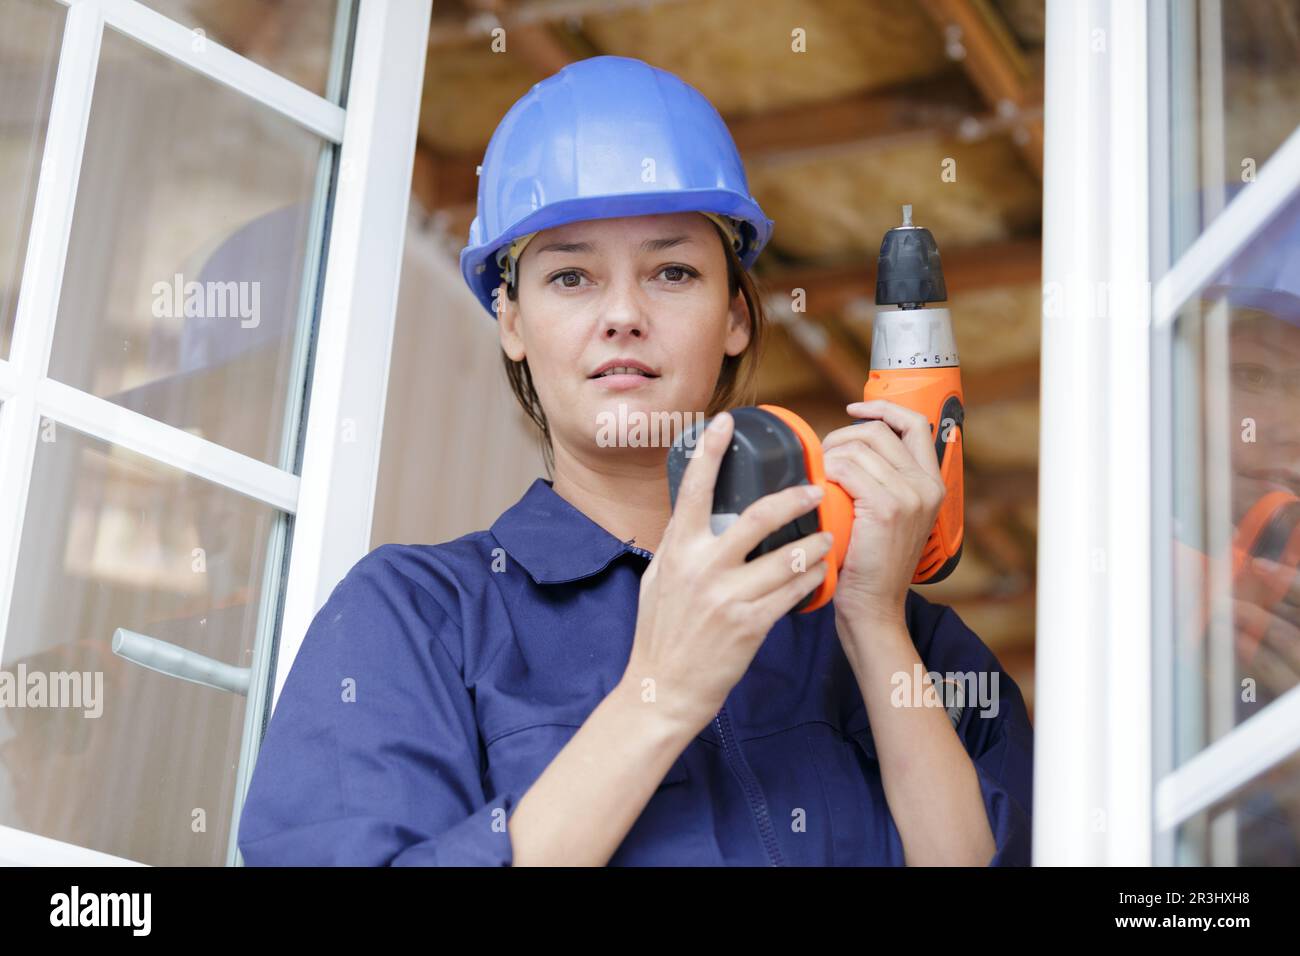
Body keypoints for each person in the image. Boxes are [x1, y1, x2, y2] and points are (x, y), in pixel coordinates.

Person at [237, 55, 1033, 866]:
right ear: (510, 320)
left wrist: (872, 624)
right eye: (572, 276)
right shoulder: (414, 620)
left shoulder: (921, 649)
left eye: (673, 271)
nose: (623, 313)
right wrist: (663, 693)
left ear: (735, 316)